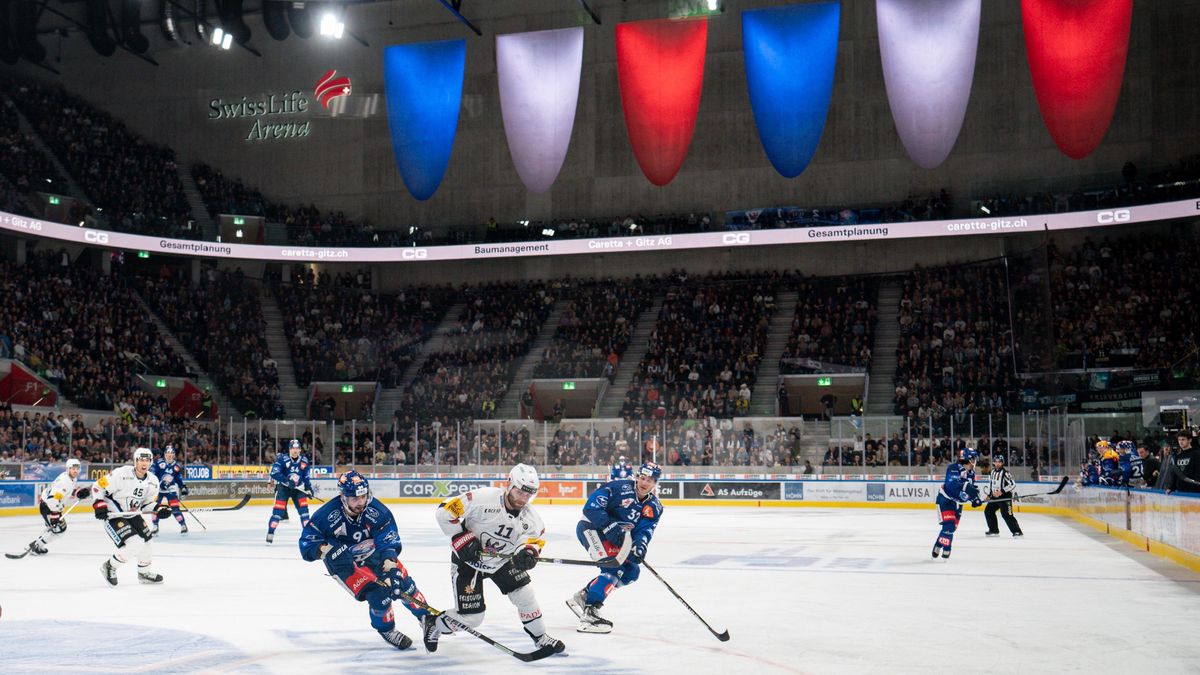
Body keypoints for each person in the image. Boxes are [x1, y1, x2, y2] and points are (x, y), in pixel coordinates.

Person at [427, 464, 564, 655]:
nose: (523, 498)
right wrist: (461, 538)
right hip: (468, 562)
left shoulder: (532, 520)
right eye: (520, 492)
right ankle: (434, 623)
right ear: (509, 484)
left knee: (525, 595)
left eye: (529, 494)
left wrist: (527, 553)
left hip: (501, 562)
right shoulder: (482, 498)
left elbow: (532, 542)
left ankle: (540, 638)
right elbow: (445, 512)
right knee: (472, 619)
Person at [299, 471, 432, 650]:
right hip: (345, 565)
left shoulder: (377, 511)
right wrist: (328, 550)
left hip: (374, 553)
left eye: (363, 496)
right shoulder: (326, 515)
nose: (360, 502)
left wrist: (391, 569)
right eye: (354, 498)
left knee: (403, 584)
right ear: (343, 497)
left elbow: (388, 541)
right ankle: (387, 630)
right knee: (378, 596)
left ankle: (426, 618)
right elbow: (307, 544)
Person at [567, 461, 664, 633]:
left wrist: (639, 546)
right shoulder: (619, 488)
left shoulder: (654, 507)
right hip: (591, 528)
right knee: (614, 567)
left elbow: (644, 531)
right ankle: (590, 613)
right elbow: (591, 507)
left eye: (649, 480)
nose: (644, 483)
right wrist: (609, 526)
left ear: (655, 483)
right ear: (637, 476)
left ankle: (585, 596)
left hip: (617, 539)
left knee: (631, 572)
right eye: (642, 478)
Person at [94, 448, 162, 585]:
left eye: (147, 460)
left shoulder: (153, 481)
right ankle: (109, 566)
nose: (144, 463)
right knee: (135, 543)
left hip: (133, 514)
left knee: (147, 543)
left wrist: (159, 509)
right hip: (114, 515)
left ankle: (143, 573)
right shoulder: (121, 473)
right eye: (141, 460)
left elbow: (147, 504)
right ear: (135, 461)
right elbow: (97, 486)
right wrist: (99, 503)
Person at [26, 458, 91, 555]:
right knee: (59, 530)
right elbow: (52, 499)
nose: (75, 471)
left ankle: (37, 545)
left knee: (53, 528)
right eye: (73, 469)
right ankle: (36, 546)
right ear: (68, 469)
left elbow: (67, 491)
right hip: (49, 507)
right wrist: (55, 516)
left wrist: (78, 493)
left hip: (51, 506)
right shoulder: (64, 482)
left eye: (77, 469)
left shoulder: (69, 477)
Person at [932, 448, 980, 560]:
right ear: (969, 459)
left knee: (951, 528)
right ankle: (947, 549)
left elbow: (970, 489)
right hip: (946, 500)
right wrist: (967, 489)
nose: (975, 461)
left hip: (958, 504)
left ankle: (938, 544)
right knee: (948, 526)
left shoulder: (971, 473)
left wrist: (975, 499)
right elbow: (951, 486)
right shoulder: (953, 468)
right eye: (973, 459)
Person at [267, 439, 313, 543]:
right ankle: (270, 533)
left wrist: (308, 488)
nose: (295, 450)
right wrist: (287, 480)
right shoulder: (282, 459)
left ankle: (308, 536)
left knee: (305, 514)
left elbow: (306, 477)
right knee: (277, 513)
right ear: (289, 449)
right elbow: (274, 473)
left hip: (299, 490)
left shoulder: (304, 461)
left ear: (300, 449)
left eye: (297, 448)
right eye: (293, 448)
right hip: (284, 489)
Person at [150, 445, 189, 535]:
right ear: (164, 454)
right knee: (155, 507)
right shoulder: (159, 463)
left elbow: (178, 479)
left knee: (175, 508)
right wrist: (158, 483)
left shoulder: (177, 466)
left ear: (174, 455)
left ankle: (183, 525)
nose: (169, 455)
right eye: (168, 453)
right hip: (158, 490)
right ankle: (155, 525)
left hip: (171, 490)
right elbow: (152, 475)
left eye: (171, 453)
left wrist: (183, 487)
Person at [983, 453, 1022, 537]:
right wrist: (989, 495)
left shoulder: (1005, 473)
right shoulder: (992, 472)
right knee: (988, 511)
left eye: (999, 462)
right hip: (994, 497)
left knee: (1007, 514)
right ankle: (993, 530)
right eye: (996, 462)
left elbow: (1012, 484)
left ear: (1002, 463)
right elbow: (992, 484)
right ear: (993, 462)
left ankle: (1017, 531)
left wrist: (1001, 491)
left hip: (1005, 497)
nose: (997, 463)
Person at [1163, 430, 1200, 494]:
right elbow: (1175, 474)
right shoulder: (1178, 456)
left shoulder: (1197, 454)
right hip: (1180, 491)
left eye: (1183, 439)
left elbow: (1198, 472)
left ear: (1189, 440)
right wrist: (1171, 487)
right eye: (1179, 440)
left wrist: (1196, 486)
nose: (1180, 442)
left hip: (1194, 491)